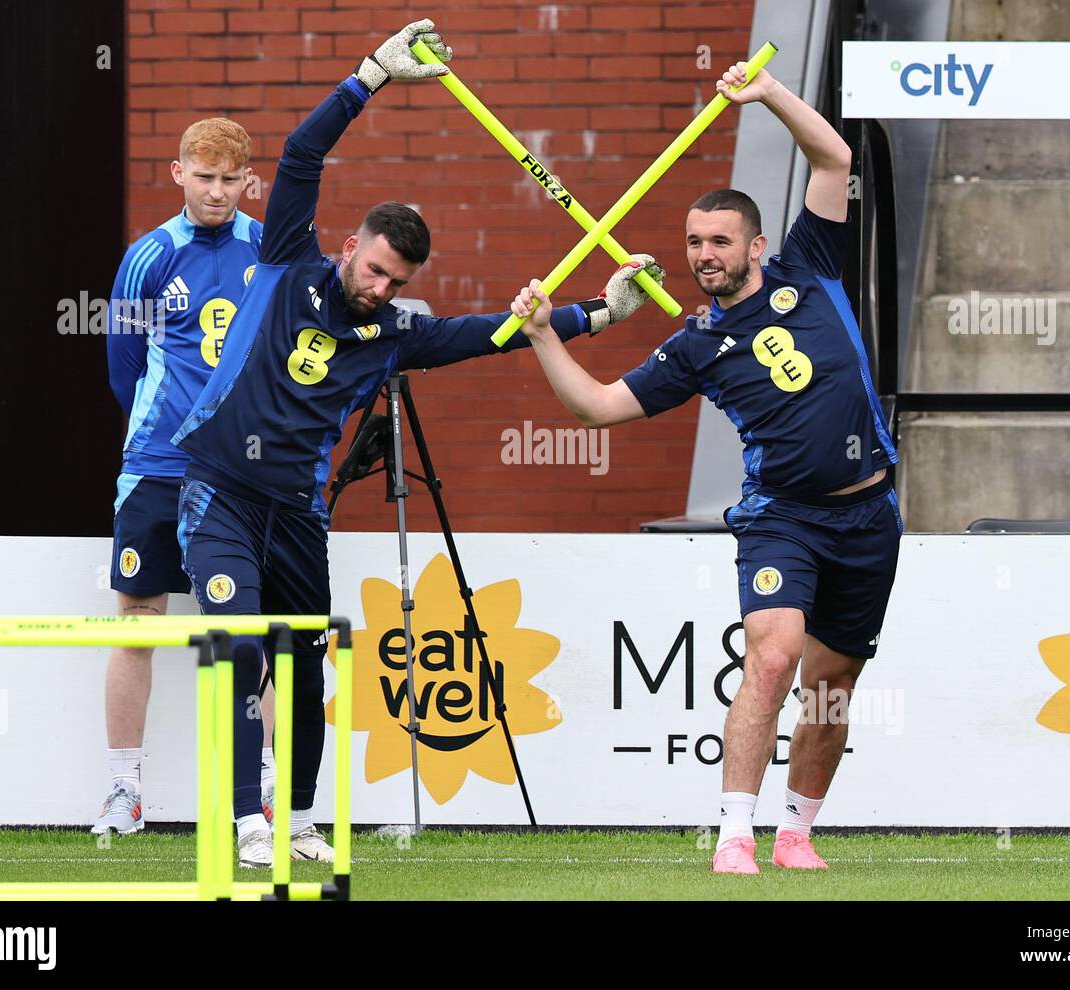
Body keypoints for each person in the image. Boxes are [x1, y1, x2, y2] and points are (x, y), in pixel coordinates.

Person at [170, 19, 659, 867]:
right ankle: (246, 819)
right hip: (217, 484)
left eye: (397, 281)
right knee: (240, 644)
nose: (380, 286)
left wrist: (602, 313)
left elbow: (501, 332)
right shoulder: (289, 258)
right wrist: (368, 77)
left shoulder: (397, 333)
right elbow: (297, 158)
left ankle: (295, 819)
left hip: (295, 510)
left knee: (304, 668)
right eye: (374, 268)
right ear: (351, 246)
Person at [508, 61, 901, 873]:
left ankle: (796, 832)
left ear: (756, 244)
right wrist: (546, 332)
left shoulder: (810, 266)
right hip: (783, 517)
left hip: (868, 511)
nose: (703, 254)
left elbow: (834, 162)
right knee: (772, 653)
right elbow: (598, 408)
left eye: (719, 241)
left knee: (829, 690)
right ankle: (734, 833)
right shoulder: (693, 346)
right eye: (694, 242)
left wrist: (768, 96)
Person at [97, 117, 277, 833]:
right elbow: (124, 366)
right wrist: (172, 426)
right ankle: (124, 791)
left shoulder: (268, 248)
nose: (217, 192)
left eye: (231, 180)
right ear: (177, 174)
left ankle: (258, 793)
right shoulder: (148, 256)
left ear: (249, 180)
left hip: (239, 473)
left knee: (245, 632)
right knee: (139, 621)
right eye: (204, 178)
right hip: (156, 467)